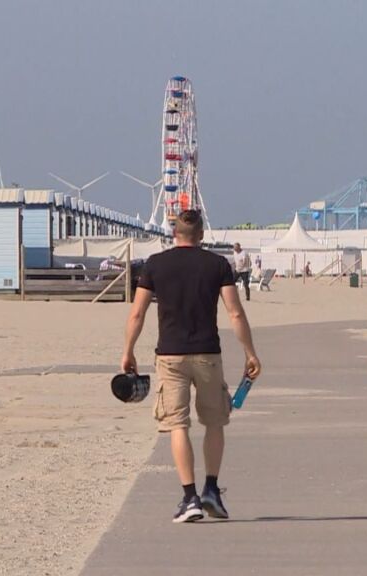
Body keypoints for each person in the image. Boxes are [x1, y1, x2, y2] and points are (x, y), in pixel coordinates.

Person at [123, 210, 262, 523]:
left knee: (178, 424)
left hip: (170, 356)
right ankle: (211, 488)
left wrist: (128, 351)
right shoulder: (217, 264)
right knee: (215, 421)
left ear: (175, 234)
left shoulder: (155, 264)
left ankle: (190, 498)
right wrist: (250, 353)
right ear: (200, 235)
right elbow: (235, 313)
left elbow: (137, 313)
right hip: (207, 354)